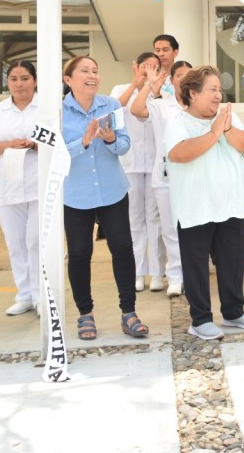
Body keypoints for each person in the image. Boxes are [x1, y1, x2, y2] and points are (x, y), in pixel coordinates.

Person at [165, 66, 244, 340]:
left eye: (220, 89)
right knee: (196, 265)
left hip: (229, 204)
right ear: (193, 93)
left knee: (232, 260)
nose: (219, 95)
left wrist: (226, 127)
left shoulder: (227, 118)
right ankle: (200, 319)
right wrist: (213, 133)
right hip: (195, 207)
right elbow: (179, 154)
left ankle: (233, 312)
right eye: (212, 89)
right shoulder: (178, 122)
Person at [61, 55, 148, 341]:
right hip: (76, 194)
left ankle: (129, 313)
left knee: (123, 249)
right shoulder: (58, 112)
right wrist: (84, 141)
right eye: (84, 71)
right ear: (68, 79)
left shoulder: (111, 105)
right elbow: (56, 155)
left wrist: (110, 140)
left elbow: (124, 145)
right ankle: (85, 314)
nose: (92, 75)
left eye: (95, 71)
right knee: (79, 254)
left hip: (112, 190)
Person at [0, 61, 41, 316]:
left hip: (38, 184)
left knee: (35, 241)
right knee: (15, 243)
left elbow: (59, 142)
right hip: (7, 185)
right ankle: (24, 294)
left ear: (34, 80)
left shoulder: (46, 108)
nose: (19, 83)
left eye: (24, 78)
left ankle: (40, 295)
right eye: (13, 79)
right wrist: (9, 145)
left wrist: (34, 145)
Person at [129, 59, 192, 298]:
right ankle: (175, 276)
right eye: (179, 76)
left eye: (189, 75)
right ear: (171, 79)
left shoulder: (200, 105)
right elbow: (136, 110)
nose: (184, 80)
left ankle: (192, 274)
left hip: (194, 174)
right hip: (165, 174)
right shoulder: (160, 105)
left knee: (193, 226)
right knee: (169, 228)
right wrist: (148, 85)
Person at [112, 52, 164, 293]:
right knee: (134, 220)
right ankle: (137, 272)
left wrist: (155, 89)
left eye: (154, 67)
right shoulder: (121, 88)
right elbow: (113, 111)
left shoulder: (163, 91)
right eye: (145, 66)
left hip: (155, 164)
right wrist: (136, 84)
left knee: (154, 219)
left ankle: (156, 272)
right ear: (136, 67)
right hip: (129, 163)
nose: (149, 71)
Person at [152, 34, 180, 98]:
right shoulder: (150, 78)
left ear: (175, 52)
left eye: (165, 50)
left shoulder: (184, 76)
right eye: (157, 50)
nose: (161, 54)